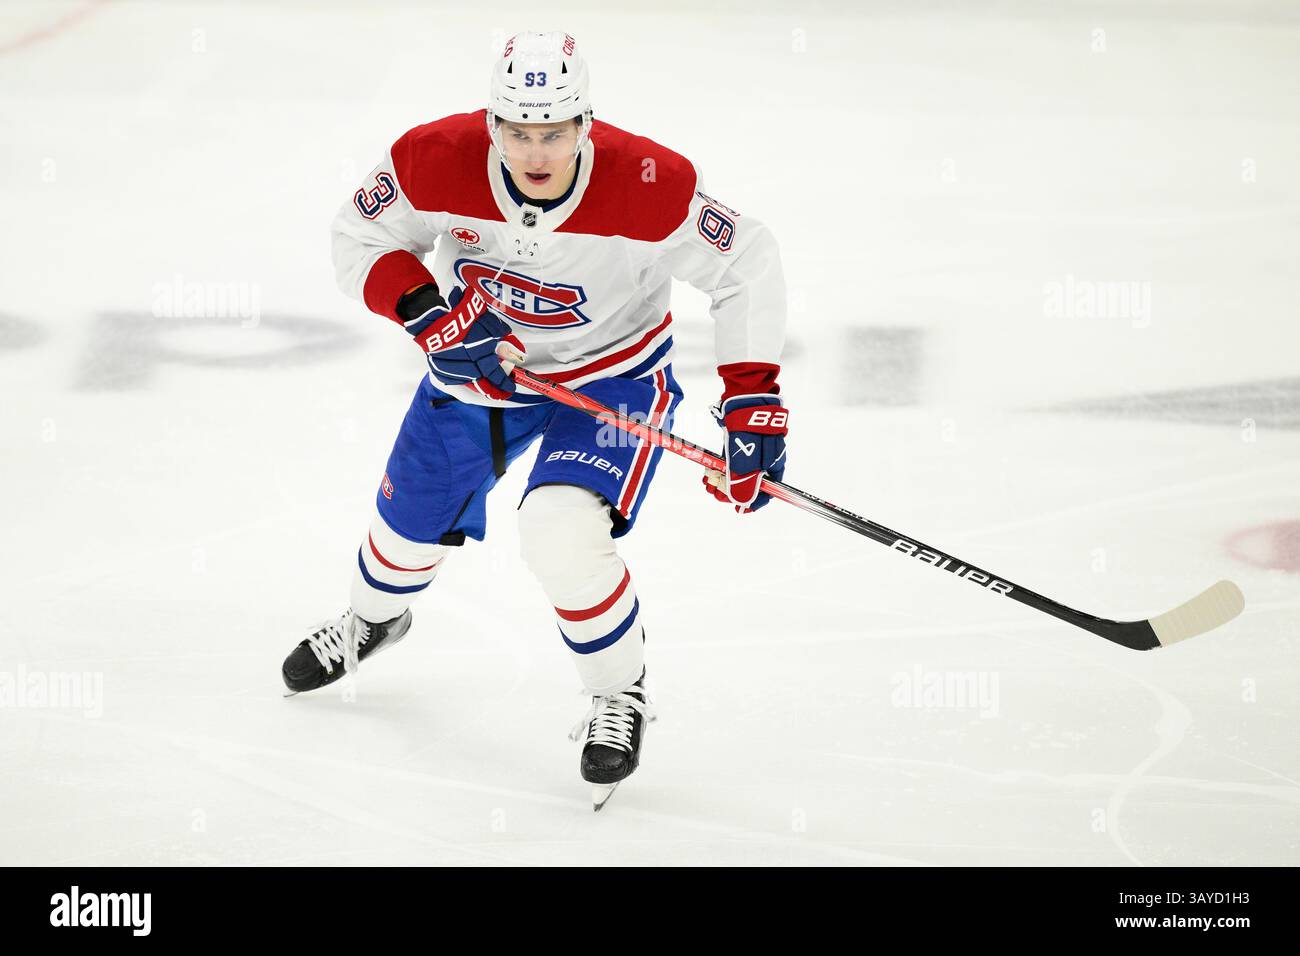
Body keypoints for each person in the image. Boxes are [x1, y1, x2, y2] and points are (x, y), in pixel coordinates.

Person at [281, 31, 788, 808]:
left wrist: (752, 396)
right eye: (518, 131)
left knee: (559, 530)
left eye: (554, 131)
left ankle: (617, 694)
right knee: (398, 539)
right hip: (482, 374)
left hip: (611, 378)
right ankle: (372, 622)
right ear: (492, 123)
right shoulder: (433, 157)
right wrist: (430, 316)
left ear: (586, 122)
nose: (536, 150)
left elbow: (745, 262)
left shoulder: (650, 182)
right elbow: (359, 235)